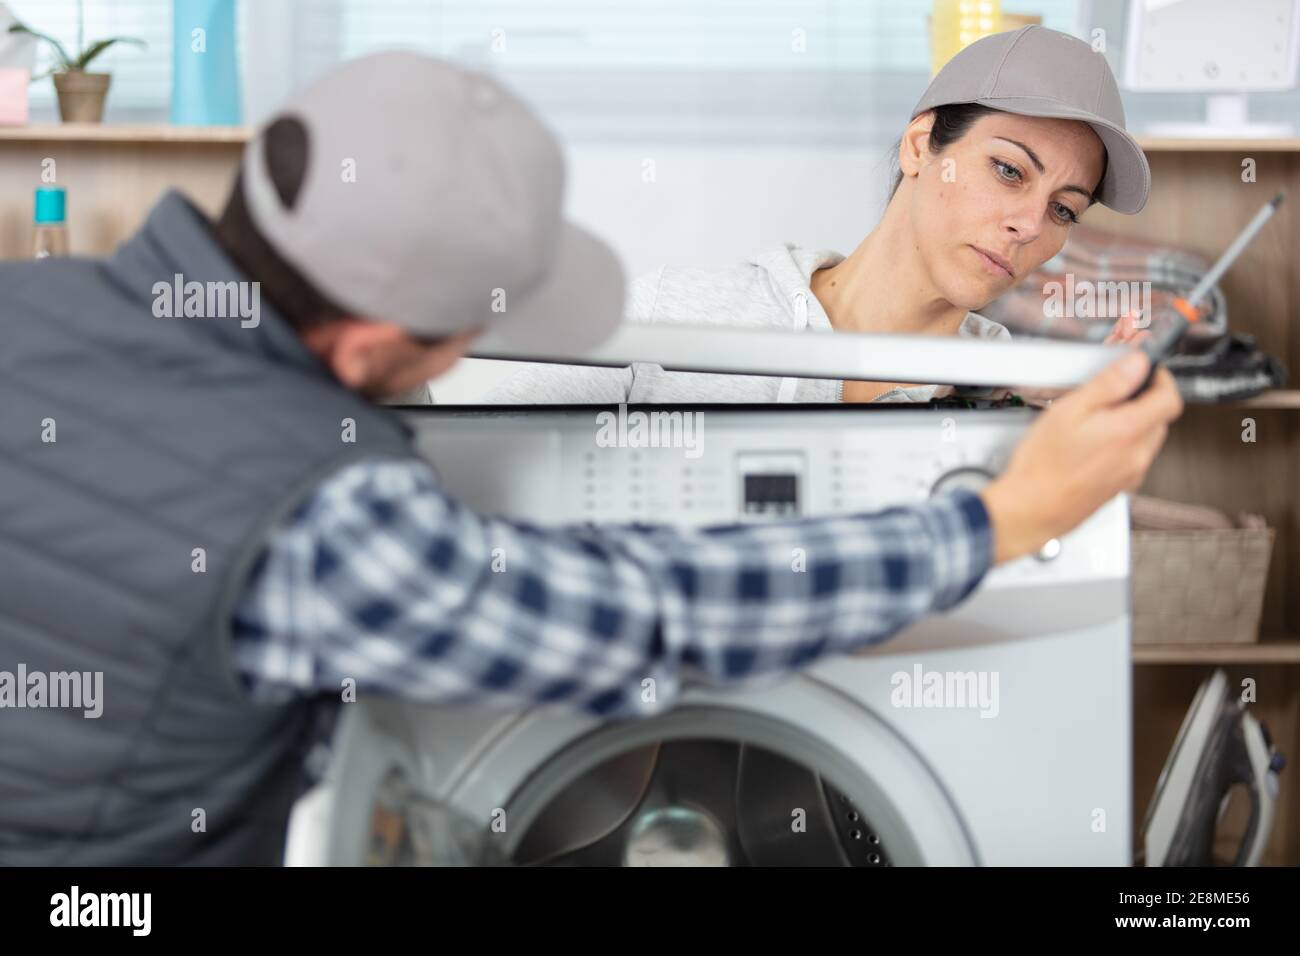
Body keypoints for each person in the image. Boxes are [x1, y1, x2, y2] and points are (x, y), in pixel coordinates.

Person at [0, 50, 1180, 867]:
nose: (1028, 221)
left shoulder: (28, 306)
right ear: (369, 341)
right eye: (467, 331)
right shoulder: (319, 512)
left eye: (1061, 201)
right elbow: (638, 616)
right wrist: (993, 521)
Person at [485, 25, 1153, 407]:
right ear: (921, 146)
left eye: (1063, 210)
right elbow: (465, 460)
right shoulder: (679, 315)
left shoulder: (1015, 393)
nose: (1030, 225)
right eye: (1008, 170)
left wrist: (1047, 435)